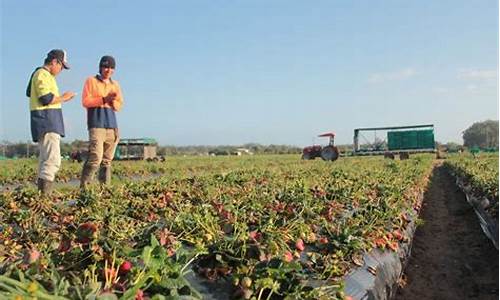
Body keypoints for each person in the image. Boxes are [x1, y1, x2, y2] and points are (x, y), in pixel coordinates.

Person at [26, 49, 76, 195]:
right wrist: (64, 97)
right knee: (53, 160)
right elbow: (46, 98)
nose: (61, 70)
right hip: (47, 121)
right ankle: (45, 197)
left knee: (45, 160)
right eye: (61, 66)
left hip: (45, 121)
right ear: (54, 62)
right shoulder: (42, 74)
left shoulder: (43, 75)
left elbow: (30, 92)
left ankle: (42, 196)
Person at [80, 55, 123, 188]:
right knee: (95, 157)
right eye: (105, 67)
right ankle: (85, 189)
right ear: (100, 67)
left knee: (107, 160)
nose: (108, 70)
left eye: (111, 68)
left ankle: (105, 189)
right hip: (96, 123)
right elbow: (86, 101)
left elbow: (119, 105)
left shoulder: (115, 84)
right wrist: (104, 99)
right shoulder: (91, 81)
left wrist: (112, 100)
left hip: (111, 124)